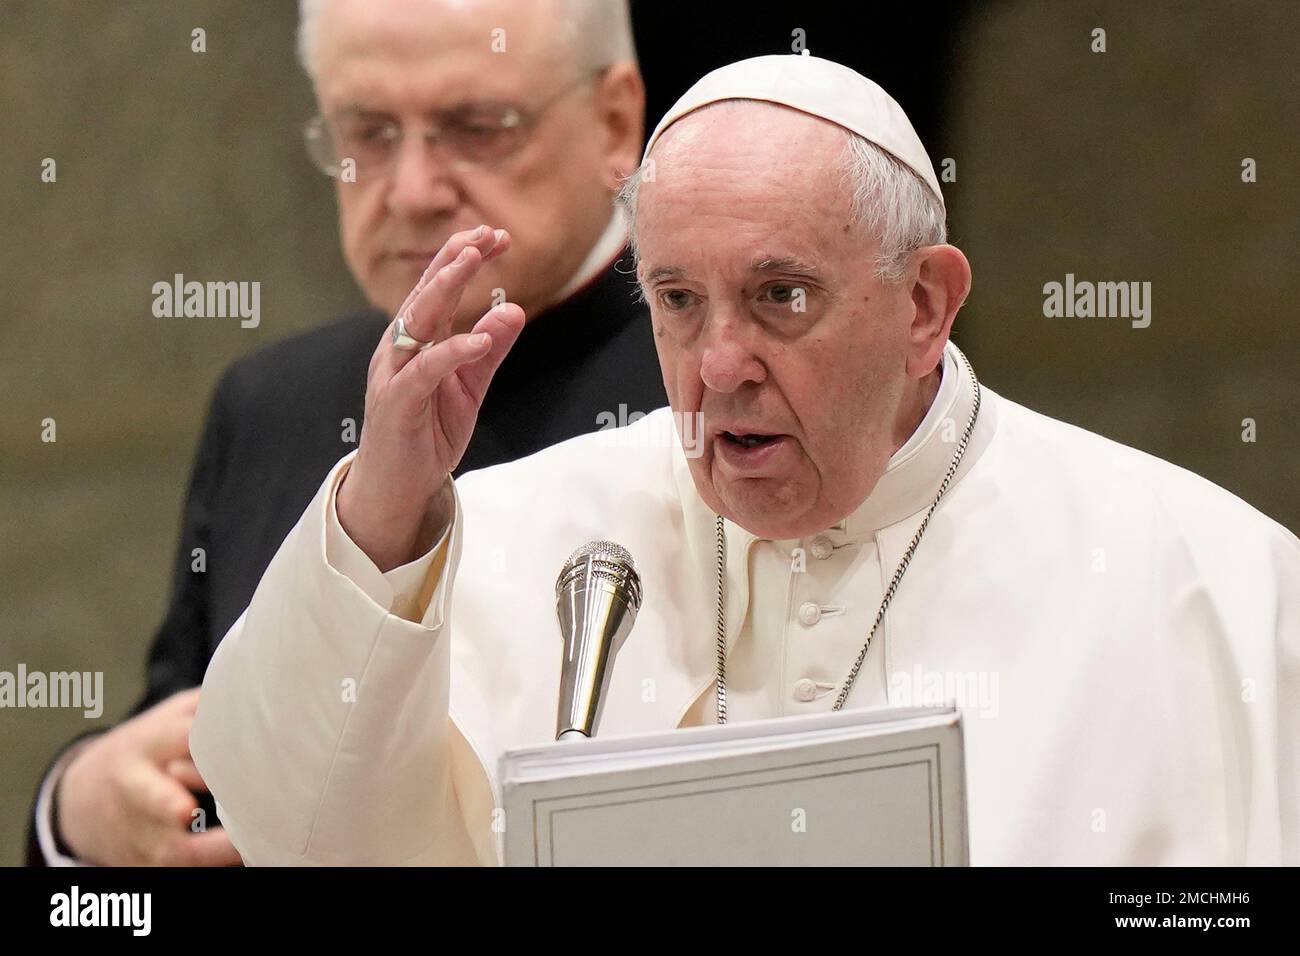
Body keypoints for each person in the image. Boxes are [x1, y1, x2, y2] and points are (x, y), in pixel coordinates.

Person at [190, 54, 1300, 865]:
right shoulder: (513, 532)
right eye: (677, 300)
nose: (720, 364)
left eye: (781, 296)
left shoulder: (1203, 578)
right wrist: (383, 514)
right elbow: (295, 826)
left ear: (924, 305)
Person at [28, 0, 662, 866]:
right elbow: (182, 767)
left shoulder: (721, 387)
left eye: (477, 127)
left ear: (615, 121)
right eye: (366, 132)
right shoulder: (269, 404)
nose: (410, 191)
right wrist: (74, 810)